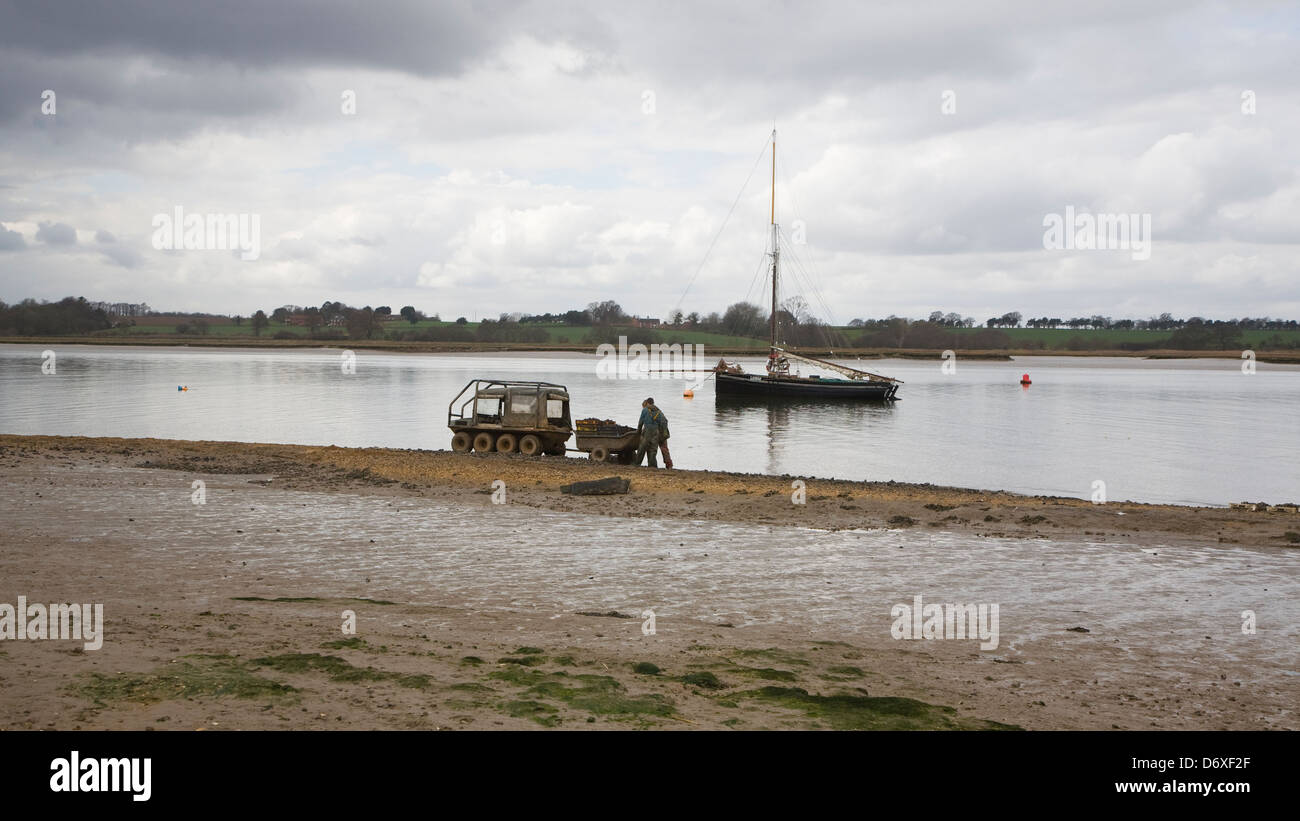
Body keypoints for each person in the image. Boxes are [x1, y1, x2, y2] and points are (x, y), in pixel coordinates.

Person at [634, 397, 664, 468]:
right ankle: (652, 465)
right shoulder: (658, 411)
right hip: (656, 432)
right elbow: (662, 423)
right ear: (653, 403)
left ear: (647, 403)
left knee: (642, 448)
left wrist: (638, 431)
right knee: (653, 449)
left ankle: (637, 464)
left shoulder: (645, 410)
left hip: (647, 431)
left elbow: (641, 422)